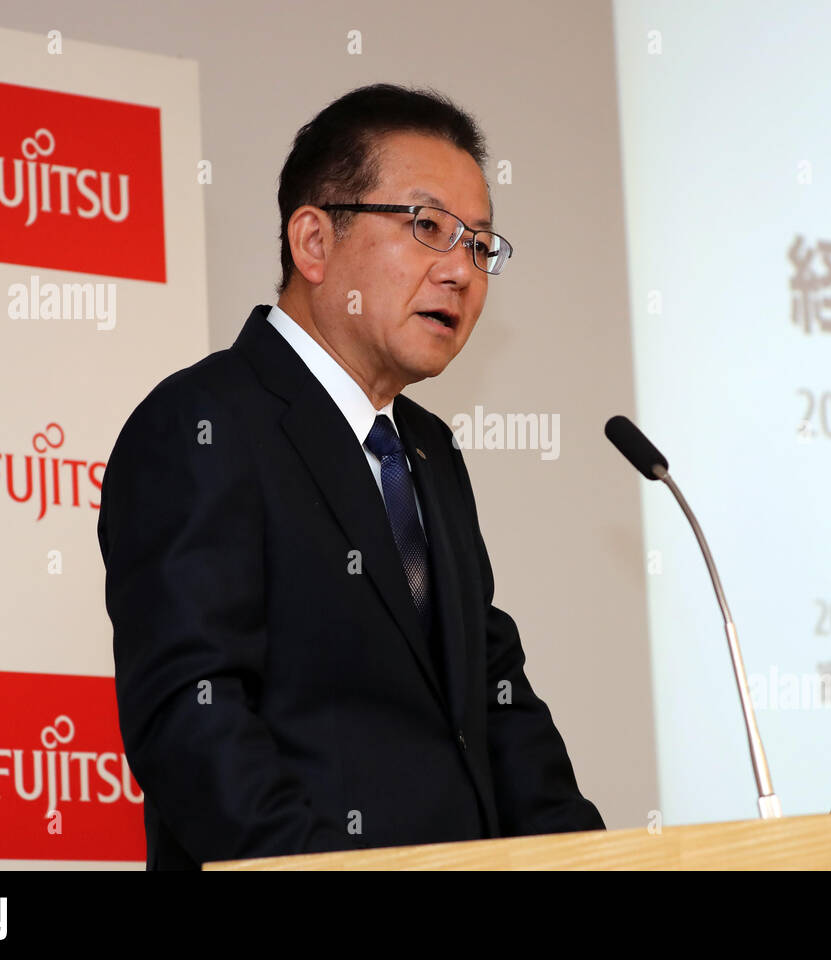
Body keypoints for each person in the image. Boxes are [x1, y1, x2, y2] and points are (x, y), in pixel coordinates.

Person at [97, 83, 604, 870]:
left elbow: (496, 699)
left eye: (479, 245)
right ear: (314, 241)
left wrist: (589, 858)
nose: (462, 273)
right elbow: (193, 719)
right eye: (429, 226)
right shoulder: (205, 423)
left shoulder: (427, 451)